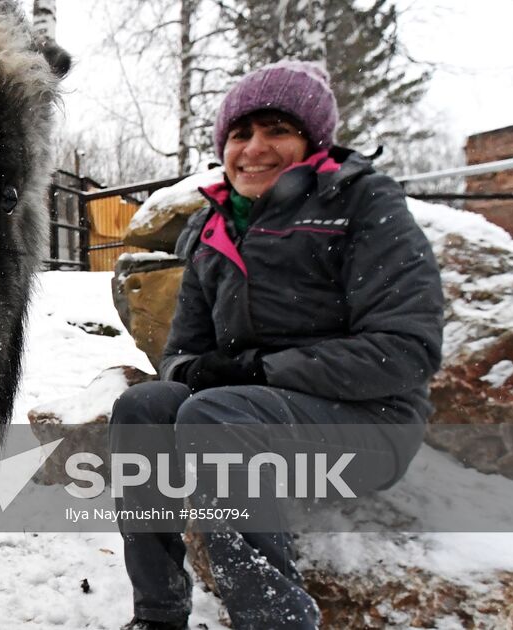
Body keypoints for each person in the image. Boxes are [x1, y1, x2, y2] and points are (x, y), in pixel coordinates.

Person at [110, 60, 444, 630]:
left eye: (277, 130)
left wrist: (257, 371)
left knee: (216, 416)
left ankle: (274, 620)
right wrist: (196, 371)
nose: (254, 148)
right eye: (240, 133)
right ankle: (158, 613)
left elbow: (405, 351)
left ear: (313, 141)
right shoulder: (213, 228)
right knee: (142, 408)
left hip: (369, 425)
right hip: (253, 415)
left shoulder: (362, 205)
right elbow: (180, 353)